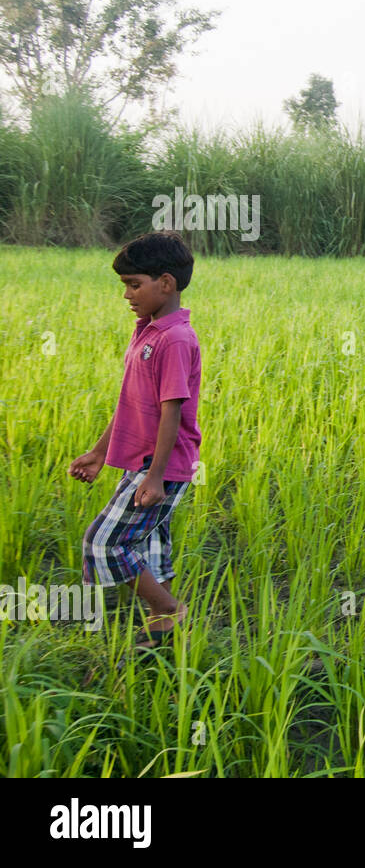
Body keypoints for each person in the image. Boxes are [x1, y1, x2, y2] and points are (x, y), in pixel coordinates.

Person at [70, 231, 202, 655]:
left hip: (162, 465)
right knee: (151, 540)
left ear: (166, 283)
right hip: (143, 462)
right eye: (124, 285)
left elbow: (172, 410)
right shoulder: (146, 330)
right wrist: (97, 452)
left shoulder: (175, 339)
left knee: (103, 542)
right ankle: (164, 630)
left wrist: (156, 476)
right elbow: (131, 400)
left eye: (133, 284)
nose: (127, 294)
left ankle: (169, 610)